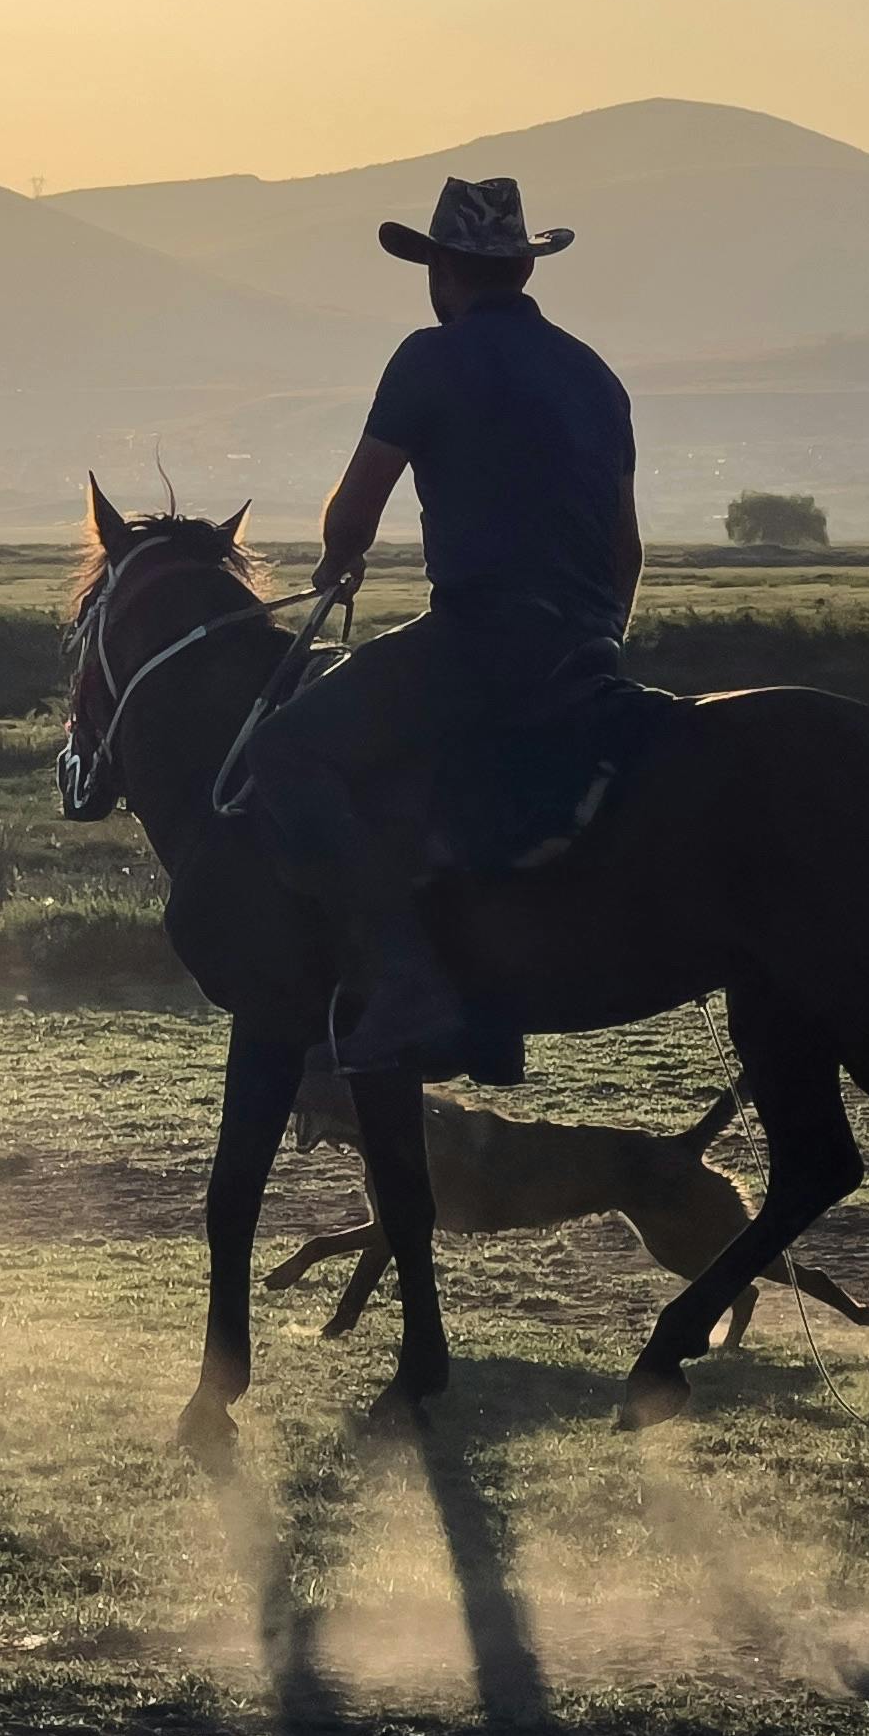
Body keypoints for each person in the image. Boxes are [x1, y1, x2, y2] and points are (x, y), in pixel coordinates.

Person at [244, 174, 656, 1075]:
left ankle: (407, 980)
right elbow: (626, 549)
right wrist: (602, 647)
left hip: (485, 639)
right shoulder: (595, 374)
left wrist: (337, 563)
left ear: (444, 272)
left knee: (285, 754)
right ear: (519, 265)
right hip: (587, 645)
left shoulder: (429, 358)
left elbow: (356, 511)